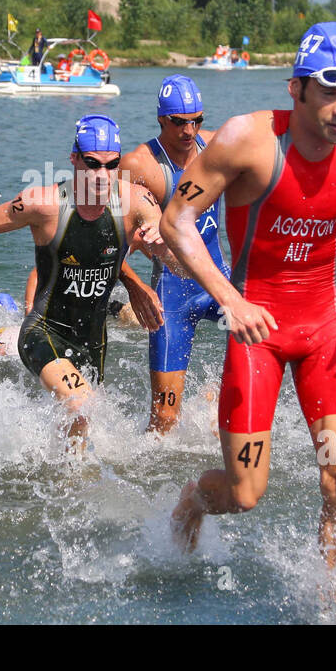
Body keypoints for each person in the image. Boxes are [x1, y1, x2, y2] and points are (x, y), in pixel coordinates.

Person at [162, 22, 336, 588]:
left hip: (325, 333)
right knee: (244, 493)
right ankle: (192, 500)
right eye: (329, 92)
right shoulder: (245, 141)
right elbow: (175, 220)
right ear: (296, 89)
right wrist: (230, 300)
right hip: (256, 330)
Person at [0, 114, 169, 444]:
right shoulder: (43, 204)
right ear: (73, 159)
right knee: (83, 406)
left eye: (111, 166)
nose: (102, 175)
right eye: (91, 164)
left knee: (82, 434)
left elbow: (162, 235)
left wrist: (155, 251)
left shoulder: (135, 201)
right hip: (43, 331)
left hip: (93, 342)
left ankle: (59, 483)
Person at [120, 75, 228, 433]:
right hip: (172, 295)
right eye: (180, 122)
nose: (190, 129)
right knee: (164, 420)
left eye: (197, 119)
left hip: (217, 283)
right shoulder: (139, 166)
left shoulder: (215, 148)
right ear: (161, 119)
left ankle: (218, 400)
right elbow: (109, 242)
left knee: (264, 343)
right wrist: (135, 285)